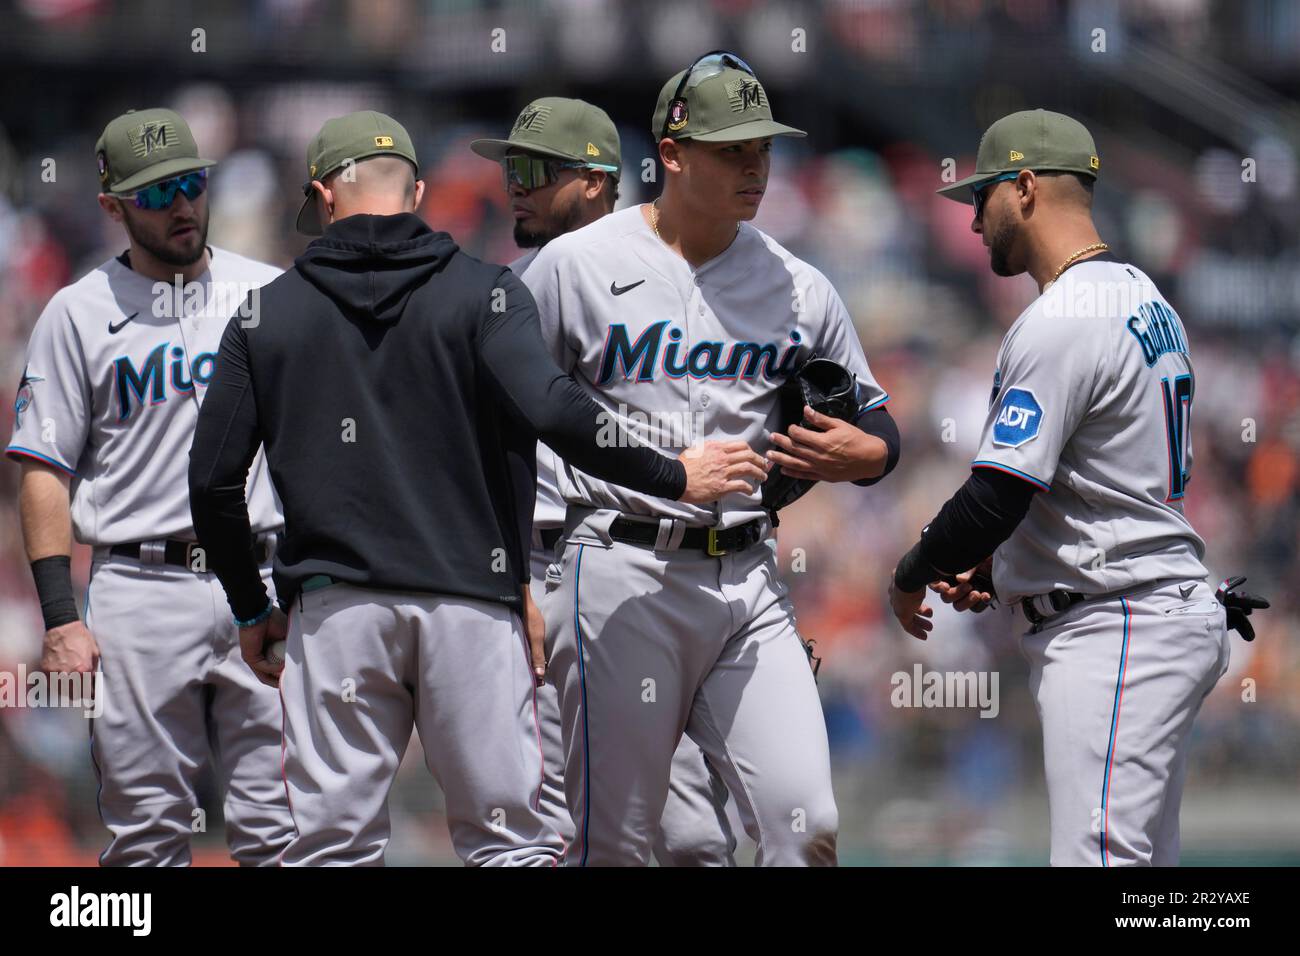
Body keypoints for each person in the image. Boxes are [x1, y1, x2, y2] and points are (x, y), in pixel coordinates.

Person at [187, 110, 763, 866]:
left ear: (325, 196)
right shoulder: (486, 294)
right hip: (472, 601)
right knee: (508, 847)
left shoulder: (267, 313)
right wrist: (673, 475)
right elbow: (559, 411)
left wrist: (249, 603)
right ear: (419, 191)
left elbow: (212, 484)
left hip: (337, 611)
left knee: (331, 850)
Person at [521, 52, 901, 866]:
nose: (755, 164)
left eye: (761, 146)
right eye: (733, 148)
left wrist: (868, 455)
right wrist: (515, 574)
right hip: (619, 567)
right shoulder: (574, 266)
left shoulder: (799, 285)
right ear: (671, 153)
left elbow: (876, 428)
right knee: (619, 845)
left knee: (806, 823)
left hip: (748, 576)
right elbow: (504, 415)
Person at [888, 109, 1232, 866]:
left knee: (1100, 863)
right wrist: (1005, 564)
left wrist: (913, 570)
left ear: (1028, 187)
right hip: (1154, 606)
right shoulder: (1142, 293)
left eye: (984, 198)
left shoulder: (1061, 318)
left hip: (1117, 627)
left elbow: (995, 495)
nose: (974, 221)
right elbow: (1094, 478)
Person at [6, 107, 292, 865]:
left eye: (192, 184)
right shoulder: (76, 313)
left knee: (284, 828)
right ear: (112, 205)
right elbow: (42, 468)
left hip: (261, 576)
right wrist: (61, 620)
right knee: (148, 834)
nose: (182, 206)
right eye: (157, 194)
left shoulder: (268, 293)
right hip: (139, 585)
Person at [471, 96, 740, 866]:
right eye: (508, 169)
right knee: (561, 832)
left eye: (531, 170)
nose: (511, 186)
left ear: (594, 182)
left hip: (659, 575)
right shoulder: (499, 293)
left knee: (693, 838)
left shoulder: (684, 284)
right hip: (538, 574)